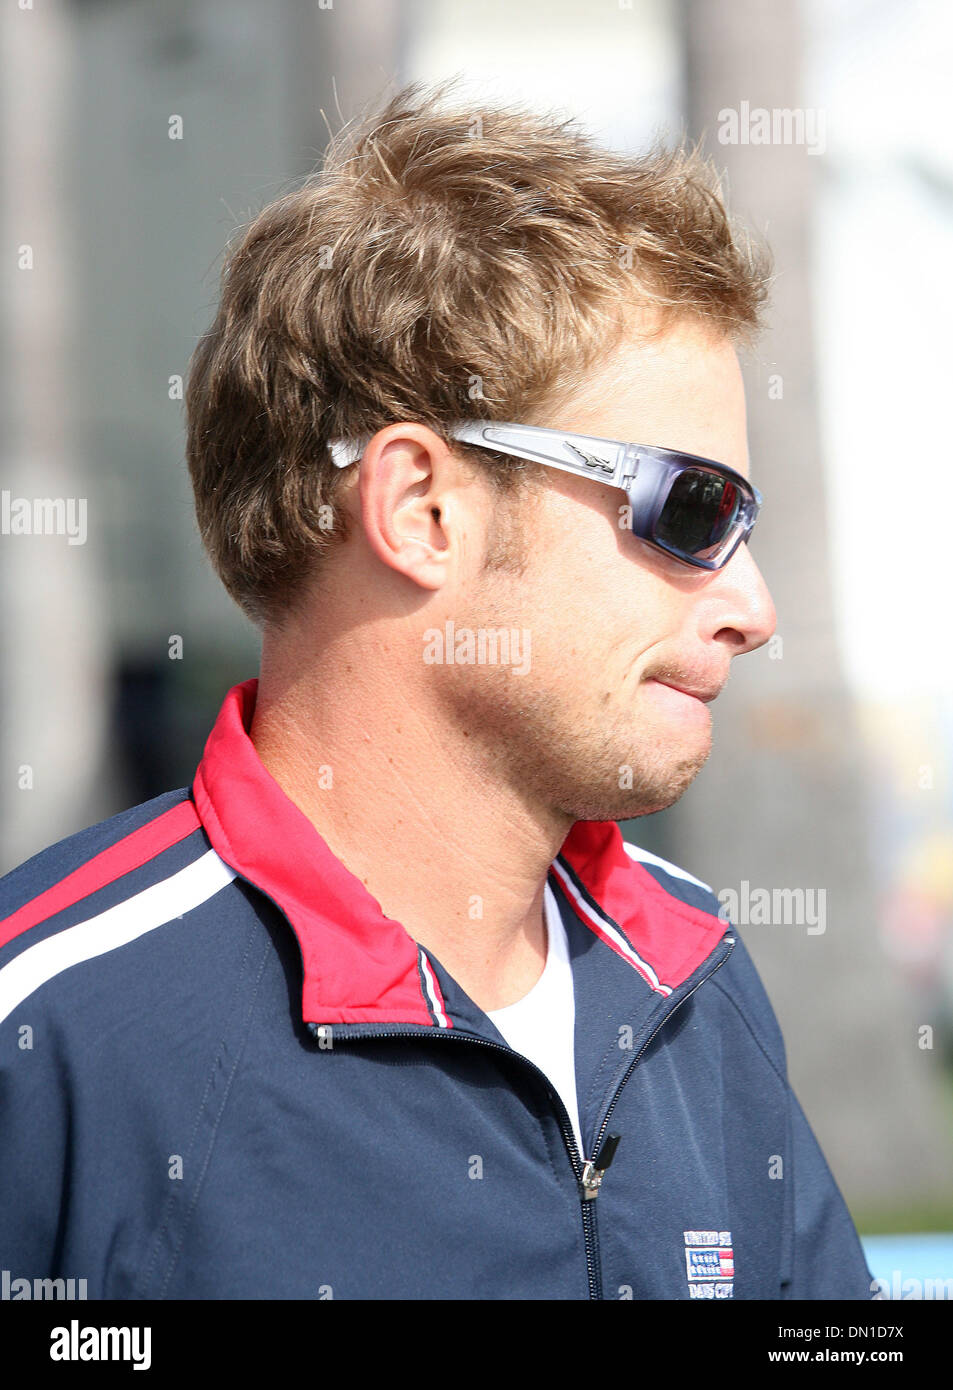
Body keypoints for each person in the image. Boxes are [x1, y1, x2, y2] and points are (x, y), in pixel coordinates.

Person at [0, 80, 874, 1300]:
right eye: (693, 509)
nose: (752, 607)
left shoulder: (692, 977)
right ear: (420, 507)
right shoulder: (50, 1034)